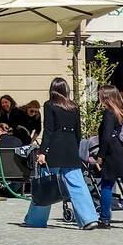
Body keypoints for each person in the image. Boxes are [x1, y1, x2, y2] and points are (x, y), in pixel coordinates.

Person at [23, 77, 98, 230]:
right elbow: (78, 132)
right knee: (77, 184)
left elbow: (49, 130)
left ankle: (36, 219)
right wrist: (75, 148)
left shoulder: (49, 105)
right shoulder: (74, 106)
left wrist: (43, 152)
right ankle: (89, 218)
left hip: (55, 146)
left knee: (46, 184)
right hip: (70, 146)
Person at [94, 85, 123, 228]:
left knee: (107, 186)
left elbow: (106, 137)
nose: (99, 97)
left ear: (106, 97)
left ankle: (104, 219)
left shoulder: (109, 112)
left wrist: (100, 156)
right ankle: (104, 218)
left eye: (100, 95)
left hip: (114, 155)